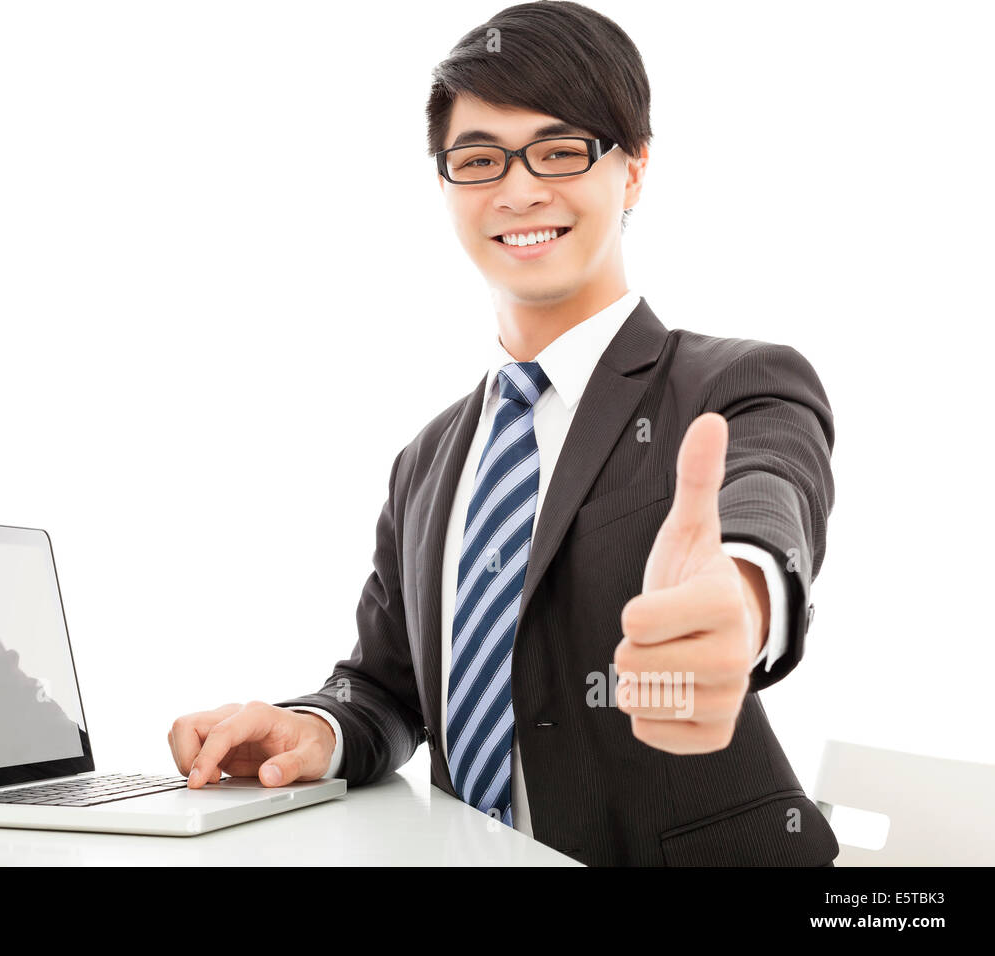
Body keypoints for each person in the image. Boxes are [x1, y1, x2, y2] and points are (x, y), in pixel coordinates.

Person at [167, 0, 839, 866]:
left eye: (561, 151)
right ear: (445, 185)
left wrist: (740, 604)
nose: (520, 190)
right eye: (479, 160)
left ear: (632, 170)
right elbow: (386, 688)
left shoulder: (733, 385)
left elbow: (765, 500)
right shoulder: (427, 460)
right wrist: (314, 730)